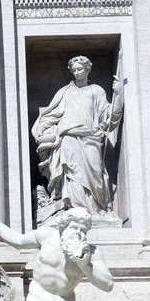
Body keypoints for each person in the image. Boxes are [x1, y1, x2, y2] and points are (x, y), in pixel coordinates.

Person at [0, 208, 113, 301]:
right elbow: (18, 240)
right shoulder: (47, 236)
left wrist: (85, 265)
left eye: (83, 230)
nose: (78, 233)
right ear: (63, 226)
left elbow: (108, 285)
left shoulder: (91, 253)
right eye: (74, 227)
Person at [32, 55, 123, 216]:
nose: (76, 72)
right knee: (71, 174)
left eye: (80, 69)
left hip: (91, 137)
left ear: (88, 68)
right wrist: (41, 129)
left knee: (95, 173)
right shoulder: (65, 92)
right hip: (68, 138)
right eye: (73, 70)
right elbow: (52, 115)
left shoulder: (96, 90)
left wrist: (118, 95)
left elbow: (108, 119)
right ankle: (73, 209)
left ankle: (95, 209)